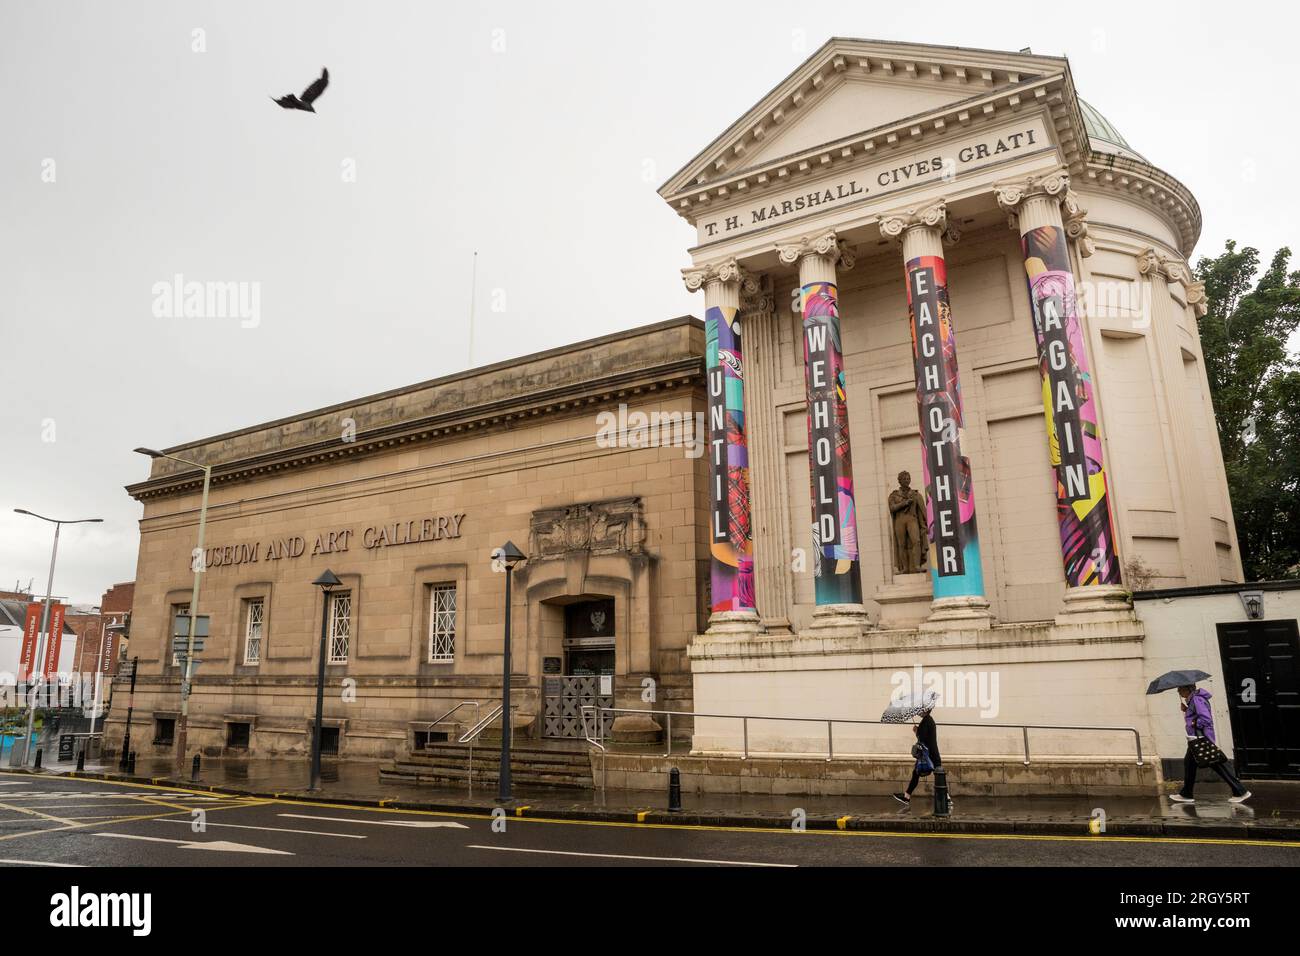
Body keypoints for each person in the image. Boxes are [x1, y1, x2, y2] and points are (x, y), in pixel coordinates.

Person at [1168, 684, 1251, 805]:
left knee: (1216, 764)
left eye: (1180, 689)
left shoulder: (1196, 699)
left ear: (1189, 689)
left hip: (1201, 738)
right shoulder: (1194, 700)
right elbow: (1197, 714)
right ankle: (1186, 794)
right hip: (1196, 738)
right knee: (1189, 763)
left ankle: (1240, 791)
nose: (1179, 691)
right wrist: (1187, 710)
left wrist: (1192, 722)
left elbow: (1206, 719)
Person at [892, 708, 943, 806]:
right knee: (921, 774)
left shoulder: (926, 721)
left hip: (928, 755)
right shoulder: (929, 720)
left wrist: (916, 732)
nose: (919, 712)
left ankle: (947, 799)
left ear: (926, 710)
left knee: (937, 775)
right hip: (932, 753)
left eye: (921, 710)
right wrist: (918, 731)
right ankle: (906, 796)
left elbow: (922, 739)